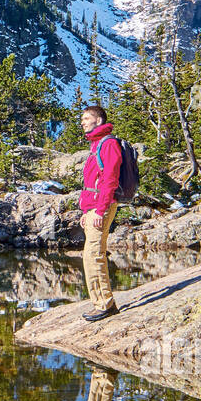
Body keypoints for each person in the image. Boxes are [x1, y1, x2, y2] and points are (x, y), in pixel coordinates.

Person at [78, 104, 122, 322]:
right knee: (90, 255)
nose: (83, 122)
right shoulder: (95, 144)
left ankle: (105, 304)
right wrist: (87, 211)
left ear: (99, 120)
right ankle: (102, 302)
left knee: (94, 254)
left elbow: (110, 180)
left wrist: (100, 210)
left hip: (102, 205)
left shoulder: (108, 144)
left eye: (87, 118)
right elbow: (91, 181)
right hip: (94, 207)